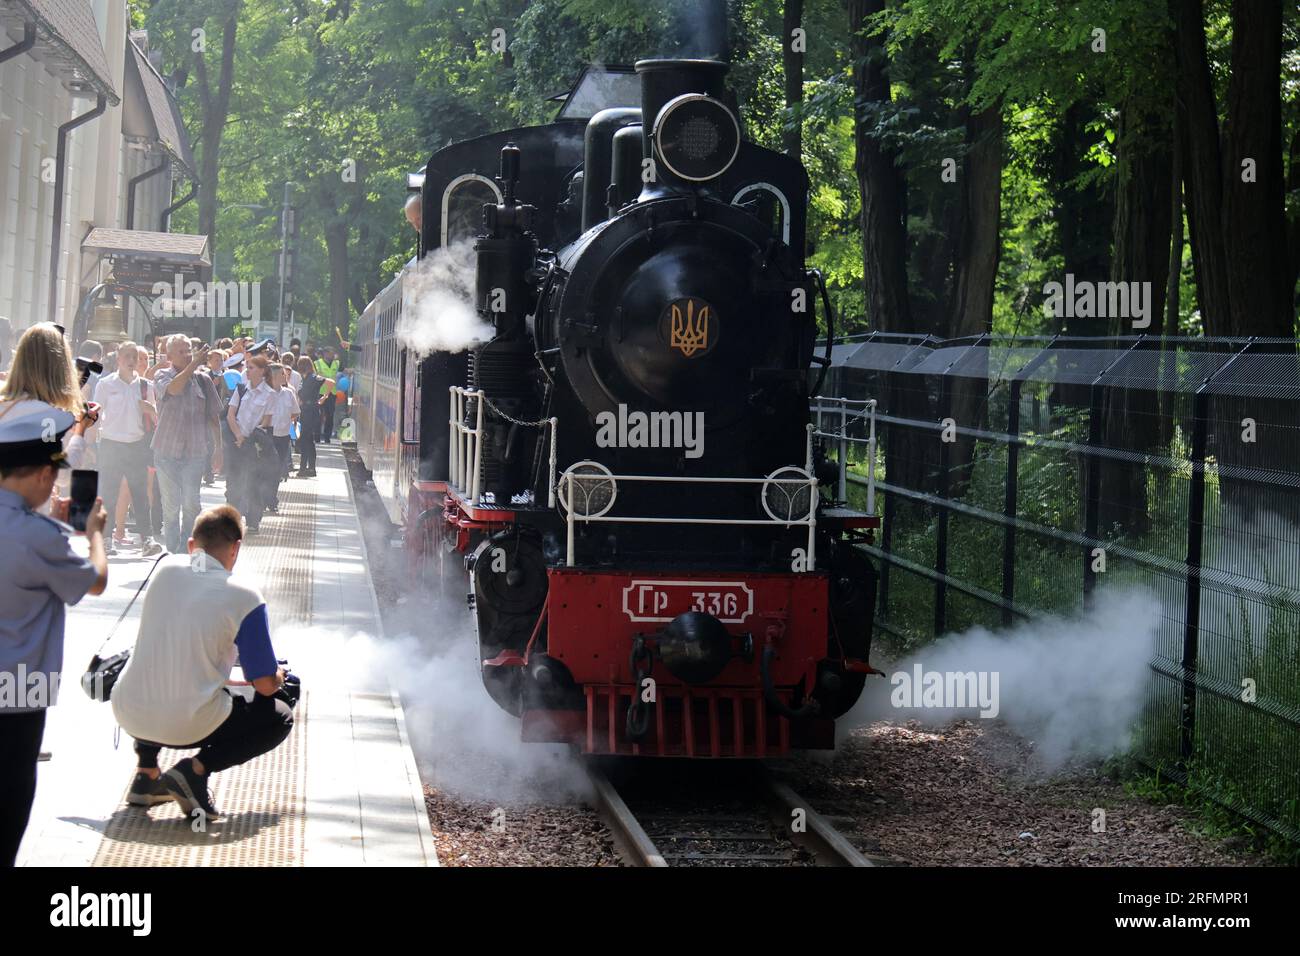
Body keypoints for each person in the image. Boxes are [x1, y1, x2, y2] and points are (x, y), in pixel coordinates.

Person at [110, 505, 293, 818]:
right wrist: (278, 675)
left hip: (129, 711)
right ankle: (194, 770)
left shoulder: (164, 570)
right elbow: (263, 685)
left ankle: (146, 775)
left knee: (162, 670)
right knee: (280, 715)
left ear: (192, 545)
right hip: (188, 725)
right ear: (236, 548)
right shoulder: (245, 596)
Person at [0, 402, 108, 866]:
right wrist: (94, 533)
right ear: (45, 475)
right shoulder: (40, 536)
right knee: (7, 810)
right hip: (16, 697)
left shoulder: (37, 531)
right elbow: (95, 580)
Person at [93, 343, 163, 558]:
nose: (131, 360)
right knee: (109, 494)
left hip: (136, 445)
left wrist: (151, 410)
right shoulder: (105, 384)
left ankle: (146, 539)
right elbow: (95, 414)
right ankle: (105, 540)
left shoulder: (145, 386)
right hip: (111, 444)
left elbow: (156, 418)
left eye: (135, 356)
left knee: (140, 494)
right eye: (127, 356)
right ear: (119, 359)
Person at [0, 323, 98, 474]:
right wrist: (80, 431)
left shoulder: (6, 402)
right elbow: (59, 472)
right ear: (58, 366)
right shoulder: (44, 413)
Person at [152, 335, 220, 553]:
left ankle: (185, 548)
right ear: (170, 356)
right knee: (171, 507)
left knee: (191, 504)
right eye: (181, 352)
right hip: (166, 452)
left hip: (195, 452)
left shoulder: (204, 380)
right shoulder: (162, 375)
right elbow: (173, 389)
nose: (187, 354)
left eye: (189, 350)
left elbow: (213, 417)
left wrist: (219, 449)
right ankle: (173, 551)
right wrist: (193, 365)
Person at [225, 356, 275, 532]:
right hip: (236, 441)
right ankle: (231, 519)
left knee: (253, 482)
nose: (248, 370)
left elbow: (266, 421)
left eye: (252, 367)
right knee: (233, 482)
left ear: (262, 371)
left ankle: (253, 520)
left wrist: (249, 438)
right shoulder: (241, 389)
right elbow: (231, 414)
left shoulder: (270, 394)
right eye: (247, 367)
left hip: (253, 444)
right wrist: (238, 435)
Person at [266, 365, 299, 505]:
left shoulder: (288, 393)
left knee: (277, 469)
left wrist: (285, 421)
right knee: (265, 469)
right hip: (267, 435)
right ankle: (264, 497)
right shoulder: (264, 393)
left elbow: (295, 412)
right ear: (273, 377)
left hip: (283, 436)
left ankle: (272, 499)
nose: (284, 377)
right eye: (282, 374)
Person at [294, 357, 330, 477]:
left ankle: (305, 468)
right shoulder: (304, 379)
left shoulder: (313, 378)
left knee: (306, 440)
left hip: (311, 411)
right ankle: (310, 468)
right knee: (308, 440)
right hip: (306, 410)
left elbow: (331, 382)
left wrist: (324, 397)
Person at [314, 347, 341, 443]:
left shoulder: (336, 363)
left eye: (333, 353)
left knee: (330, 416)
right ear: (325, 354)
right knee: (318, 415)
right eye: (330, 353)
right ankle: (317, 437)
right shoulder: (317, 363)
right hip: (320, 392)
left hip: (331, 393)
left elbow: (343, 369)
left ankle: (327, 437)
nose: (332, 355)